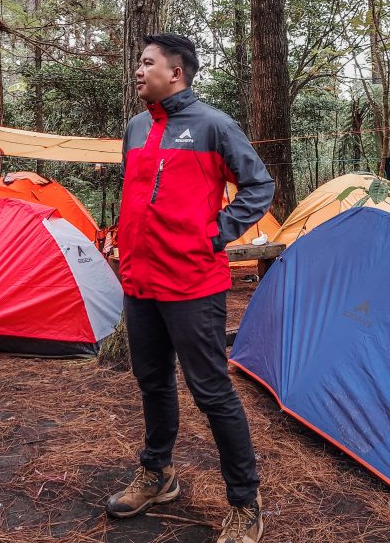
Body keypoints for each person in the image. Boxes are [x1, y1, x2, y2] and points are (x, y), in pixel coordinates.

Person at [106, 33, 274, 543]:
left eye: (146, 63)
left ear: (175, 72)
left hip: (193, 283)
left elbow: (259, 186)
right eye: (138, 63)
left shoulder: (214, 125)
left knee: (212, 392)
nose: (138, 71)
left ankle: (246, 503)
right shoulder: (137, 127)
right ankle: (157, 474)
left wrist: (213, 233)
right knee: (152, 382)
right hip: (140, 282)